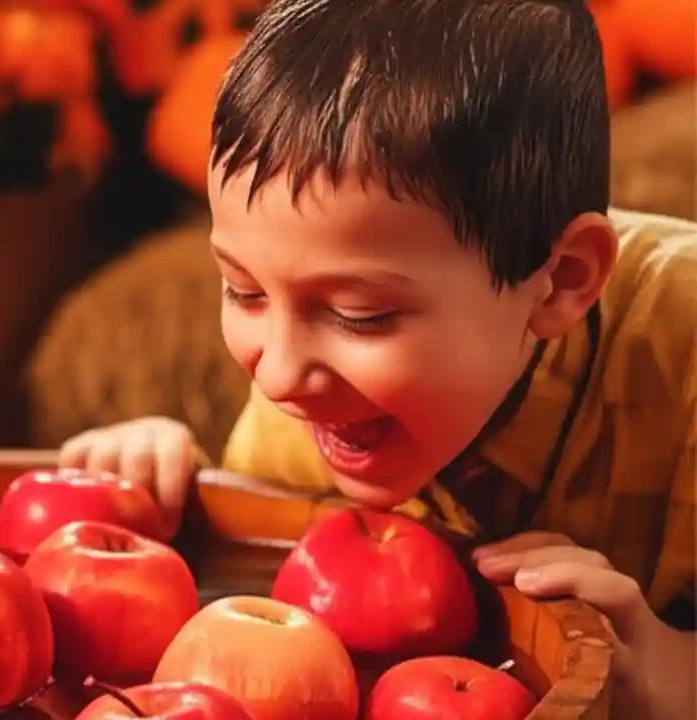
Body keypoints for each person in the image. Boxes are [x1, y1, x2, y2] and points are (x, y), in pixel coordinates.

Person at [57, 0, 695, 717]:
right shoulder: (313, 407)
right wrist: (174, 479)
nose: (277, 377)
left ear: (562, 279)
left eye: (359, 316)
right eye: (243, 291)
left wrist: (674, 671)